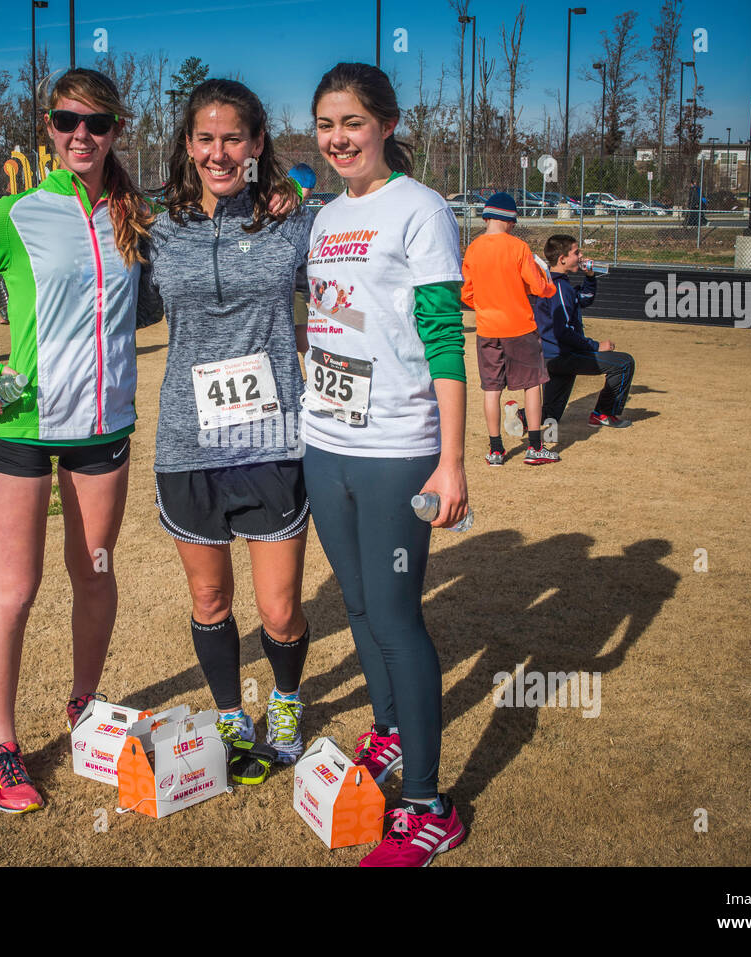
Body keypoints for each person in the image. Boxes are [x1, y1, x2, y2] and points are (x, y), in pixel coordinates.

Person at [0, 68, 156, 814]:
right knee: (15, 586)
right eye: (67, 122)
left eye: (96, 123)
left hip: (104, 427)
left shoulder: (135, 213)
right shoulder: (15, 212)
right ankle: (1, 746)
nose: (81, 136)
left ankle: (84, 708)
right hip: (23, 424)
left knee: (94, 572)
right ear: (49, 127)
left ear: (116, 129)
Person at [303, 63, 469, 866]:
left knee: (399, 617)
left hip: (397, 448)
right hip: (324, 442)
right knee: (362, 606)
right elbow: (336, 319)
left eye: (353, 123)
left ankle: (429, 806)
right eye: (327, 125)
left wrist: (453, 460)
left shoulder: (422, 209)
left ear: (387, 124)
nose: (338, 138)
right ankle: (392, 732)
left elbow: (442, 336)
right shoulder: (323, 214)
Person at [143, 79, 314, 785]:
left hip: (271, 442)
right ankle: (226, 713)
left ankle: (284, 699)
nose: (220, 152)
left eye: (233, 138)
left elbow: (351, 267)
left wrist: (299, 190)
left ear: (257, 143)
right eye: (206, 139)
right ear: (188, 145)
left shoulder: (293, 223)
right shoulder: (157, 230)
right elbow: (117, 305)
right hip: (188, 446)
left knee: (279, 607)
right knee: (210, 600)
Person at [461, 192, 559, 466]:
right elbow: (539, 287)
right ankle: (535, 447)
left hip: (487, 328)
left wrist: (483, 305)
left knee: (491, 389)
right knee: (532, 385)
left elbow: (467, 293)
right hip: (519, 327)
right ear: (509, 220)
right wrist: (546, 285)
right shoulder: (518, 248)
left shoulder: (473, 248)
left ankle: (495, 451)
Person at [531, 234, 635, 430]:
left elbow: (584, 299)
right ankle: (603, 413)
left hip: (553, 356)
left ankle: (521, 416)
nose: (581, 255)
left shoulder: (560, 285)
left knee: (550, 416)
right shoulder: (558, 287)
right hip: (562, 356)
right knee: (623, 363)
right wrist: (596, 346)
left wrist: (589, 276)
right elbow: (563, 331)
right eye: (576, 252)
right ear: (562, 259)